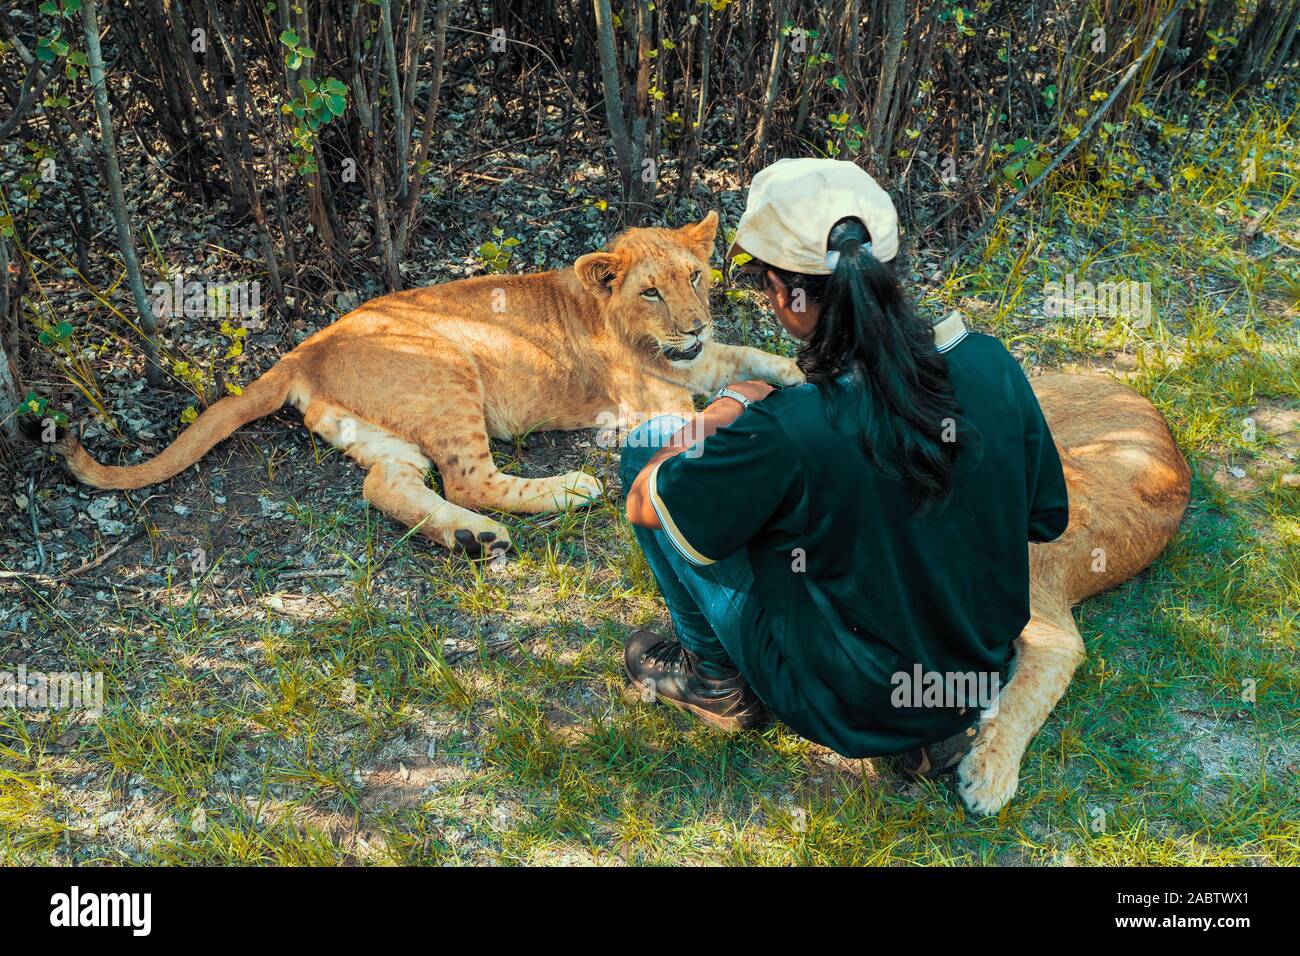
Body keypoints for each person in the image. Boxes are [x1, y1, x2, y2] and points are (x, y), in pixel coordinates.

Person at [620, 158, 1069, 776]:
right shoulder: (990, 361)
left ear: (783, 293)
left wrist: (727, 409)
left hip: (850, 703)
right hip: (974, 675)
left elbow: (645, 501)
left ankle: (714, 680)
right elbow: (1044, 519)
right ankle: (931, 728)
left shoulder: (787, 429)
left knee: (648, 444)